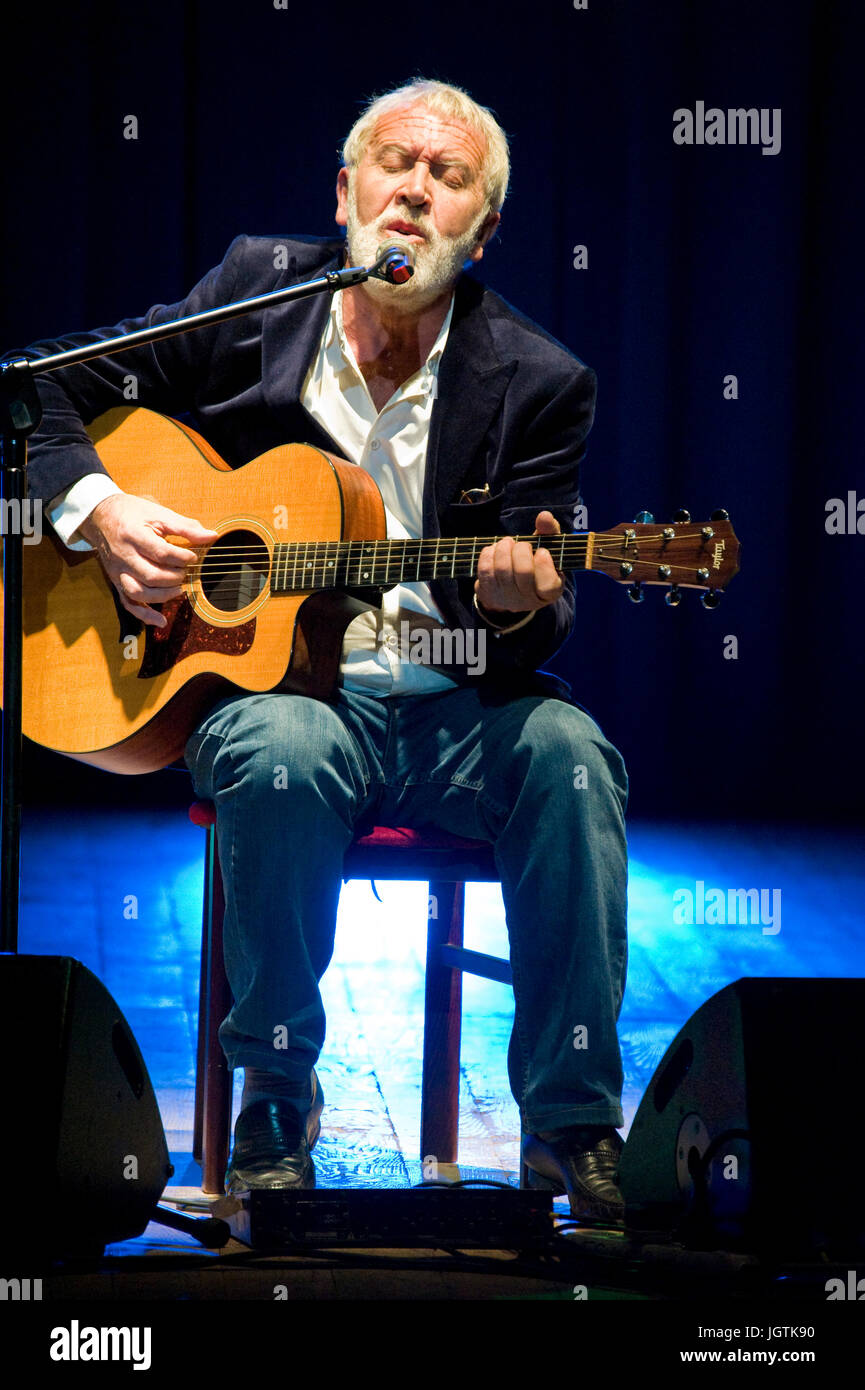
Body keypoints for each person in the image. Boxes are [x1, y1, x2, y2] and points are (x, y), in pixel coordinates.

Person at [24, 79, 629, 1224]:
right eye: (392, 164)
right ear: (344, 191)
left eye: (448, 179)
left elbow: (545, 618)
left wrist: (516, 600)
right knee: (283, 747)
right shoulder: (260, 292)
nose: (413, 189)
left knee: (574, 754)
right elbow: (44, 390)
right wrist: (99, 511)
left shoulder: (540, 381)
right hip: (291, 701)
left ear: (482, 231)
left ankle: (570, 1124)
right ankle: (276, 1093)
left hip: (455, 710)